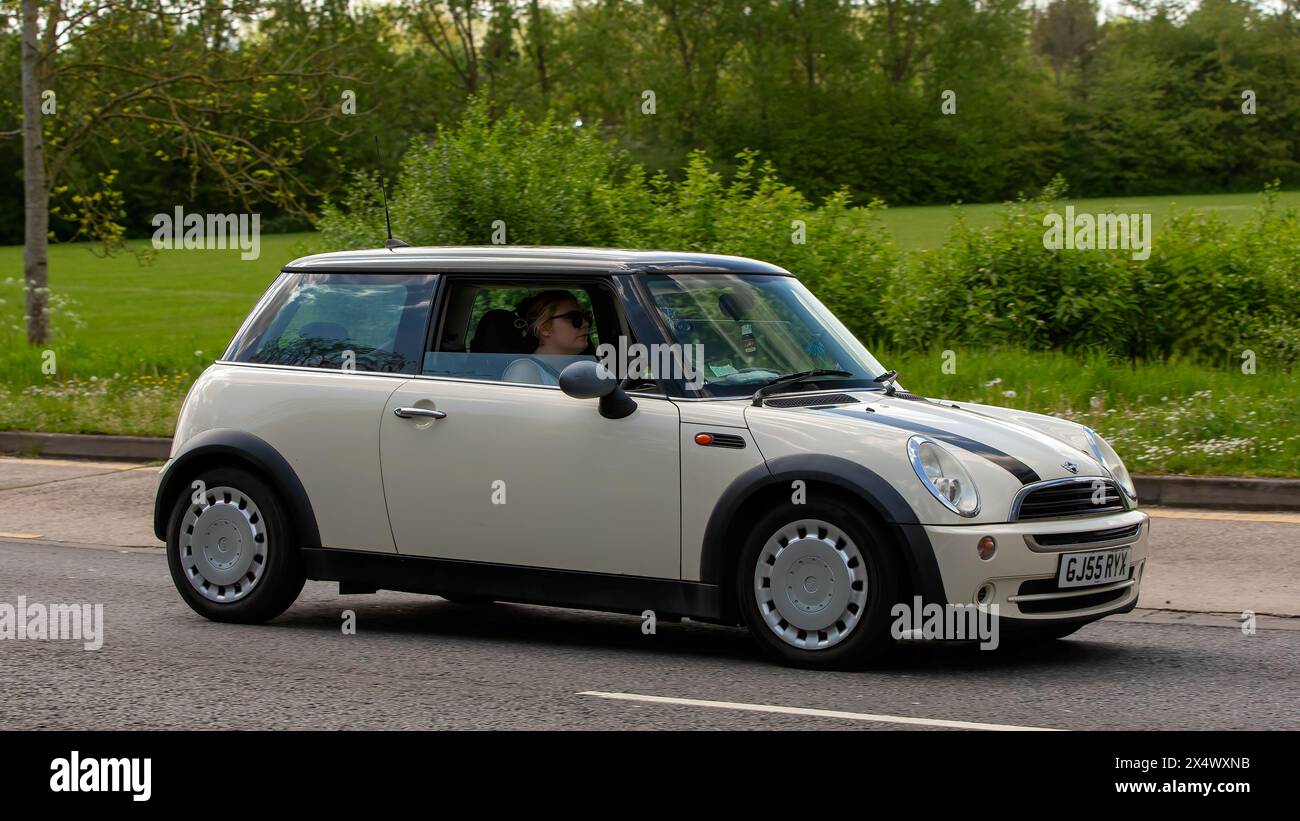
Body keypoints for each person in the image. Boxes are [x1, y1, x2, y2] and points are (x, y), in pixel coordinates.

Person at [502, 290, 593, 385]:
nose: (585, 323)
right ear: (545, 328)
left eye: (586, 316)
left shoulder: (575, 370)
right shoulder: (525, 370)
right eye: (573, 317)